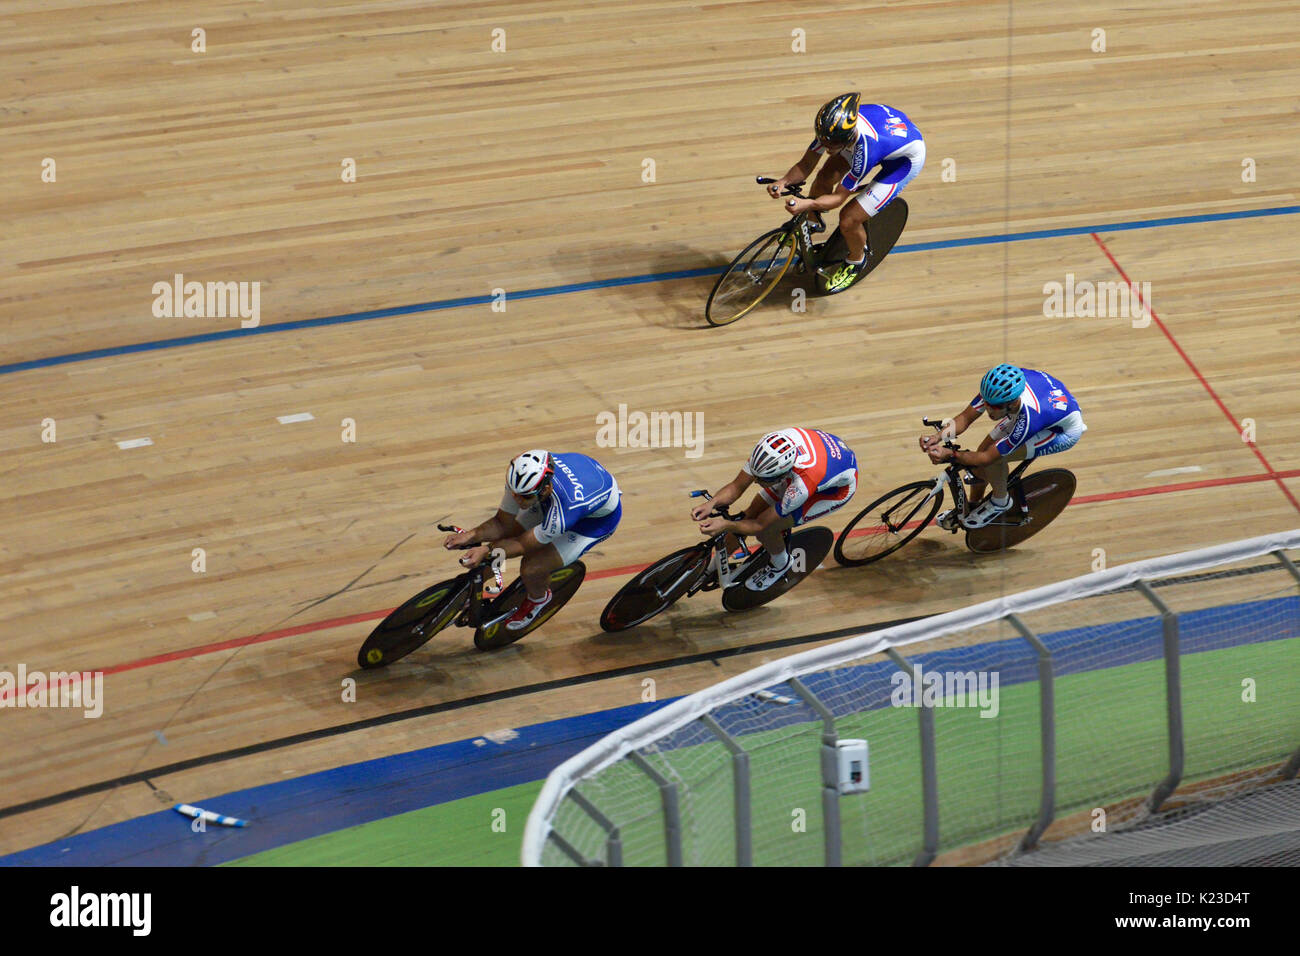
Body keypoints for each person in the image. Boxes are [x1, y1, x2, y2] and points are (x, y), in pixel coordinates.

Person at [444, 450, 620, 630]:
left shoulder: (563, 513)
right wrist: (472, 535)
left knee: (532, 567)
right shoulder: (521, 473)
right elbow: (502, 523)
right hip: (564, 492)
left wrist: (486, 550)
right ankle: (473, 587)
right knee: (507, 535)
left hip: (591, 523)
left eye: (525, 496)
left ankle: (538, 600)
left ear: (546, 488)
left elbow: (521, 544)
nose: (518, 500)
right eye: (514, 493)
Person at [766, 92, 926, 291]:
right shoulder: (831, 131)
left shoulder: (866, 150)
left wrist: (809, 204)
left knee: (849, 218)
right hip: (887, 136)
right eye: (822, 142)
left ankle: (857, 260)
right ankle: (813, 221)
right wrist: (783, 181)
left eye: (830, 146)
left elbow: (839, 197)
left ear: (848, 138)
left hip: (903, 162)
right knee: (825, 176)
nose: (825, 148)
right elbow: (807, 164)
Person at [919, 364, 1086, 529]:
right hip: (1042, 405)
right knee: (979, 454)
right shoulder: (997, 390)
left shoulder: (1028, 419)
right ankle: (973, 505)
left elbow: (987, 458)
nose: (989, 410)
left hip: (1060, 432)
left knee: (993, 460)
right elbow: (965, 418)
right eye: (986, 403)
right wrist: (937, 437)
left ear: (1011, 404)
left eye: (995, 406)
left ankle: (1001, 501)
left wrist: (951, 454)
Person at [692, 428, 858, 591]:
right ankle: (712, 568)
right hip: (816, 459)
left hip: (833, 491)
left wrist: (726, 525)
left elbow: (759, 525)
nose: (756, 482)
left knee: (767, 530)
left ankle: (781, 563)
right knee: (749, 514)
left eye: (762, 480)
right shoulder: (768, 452)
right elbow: (736, 486)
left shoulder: (801, 486)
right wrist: (711, 503)